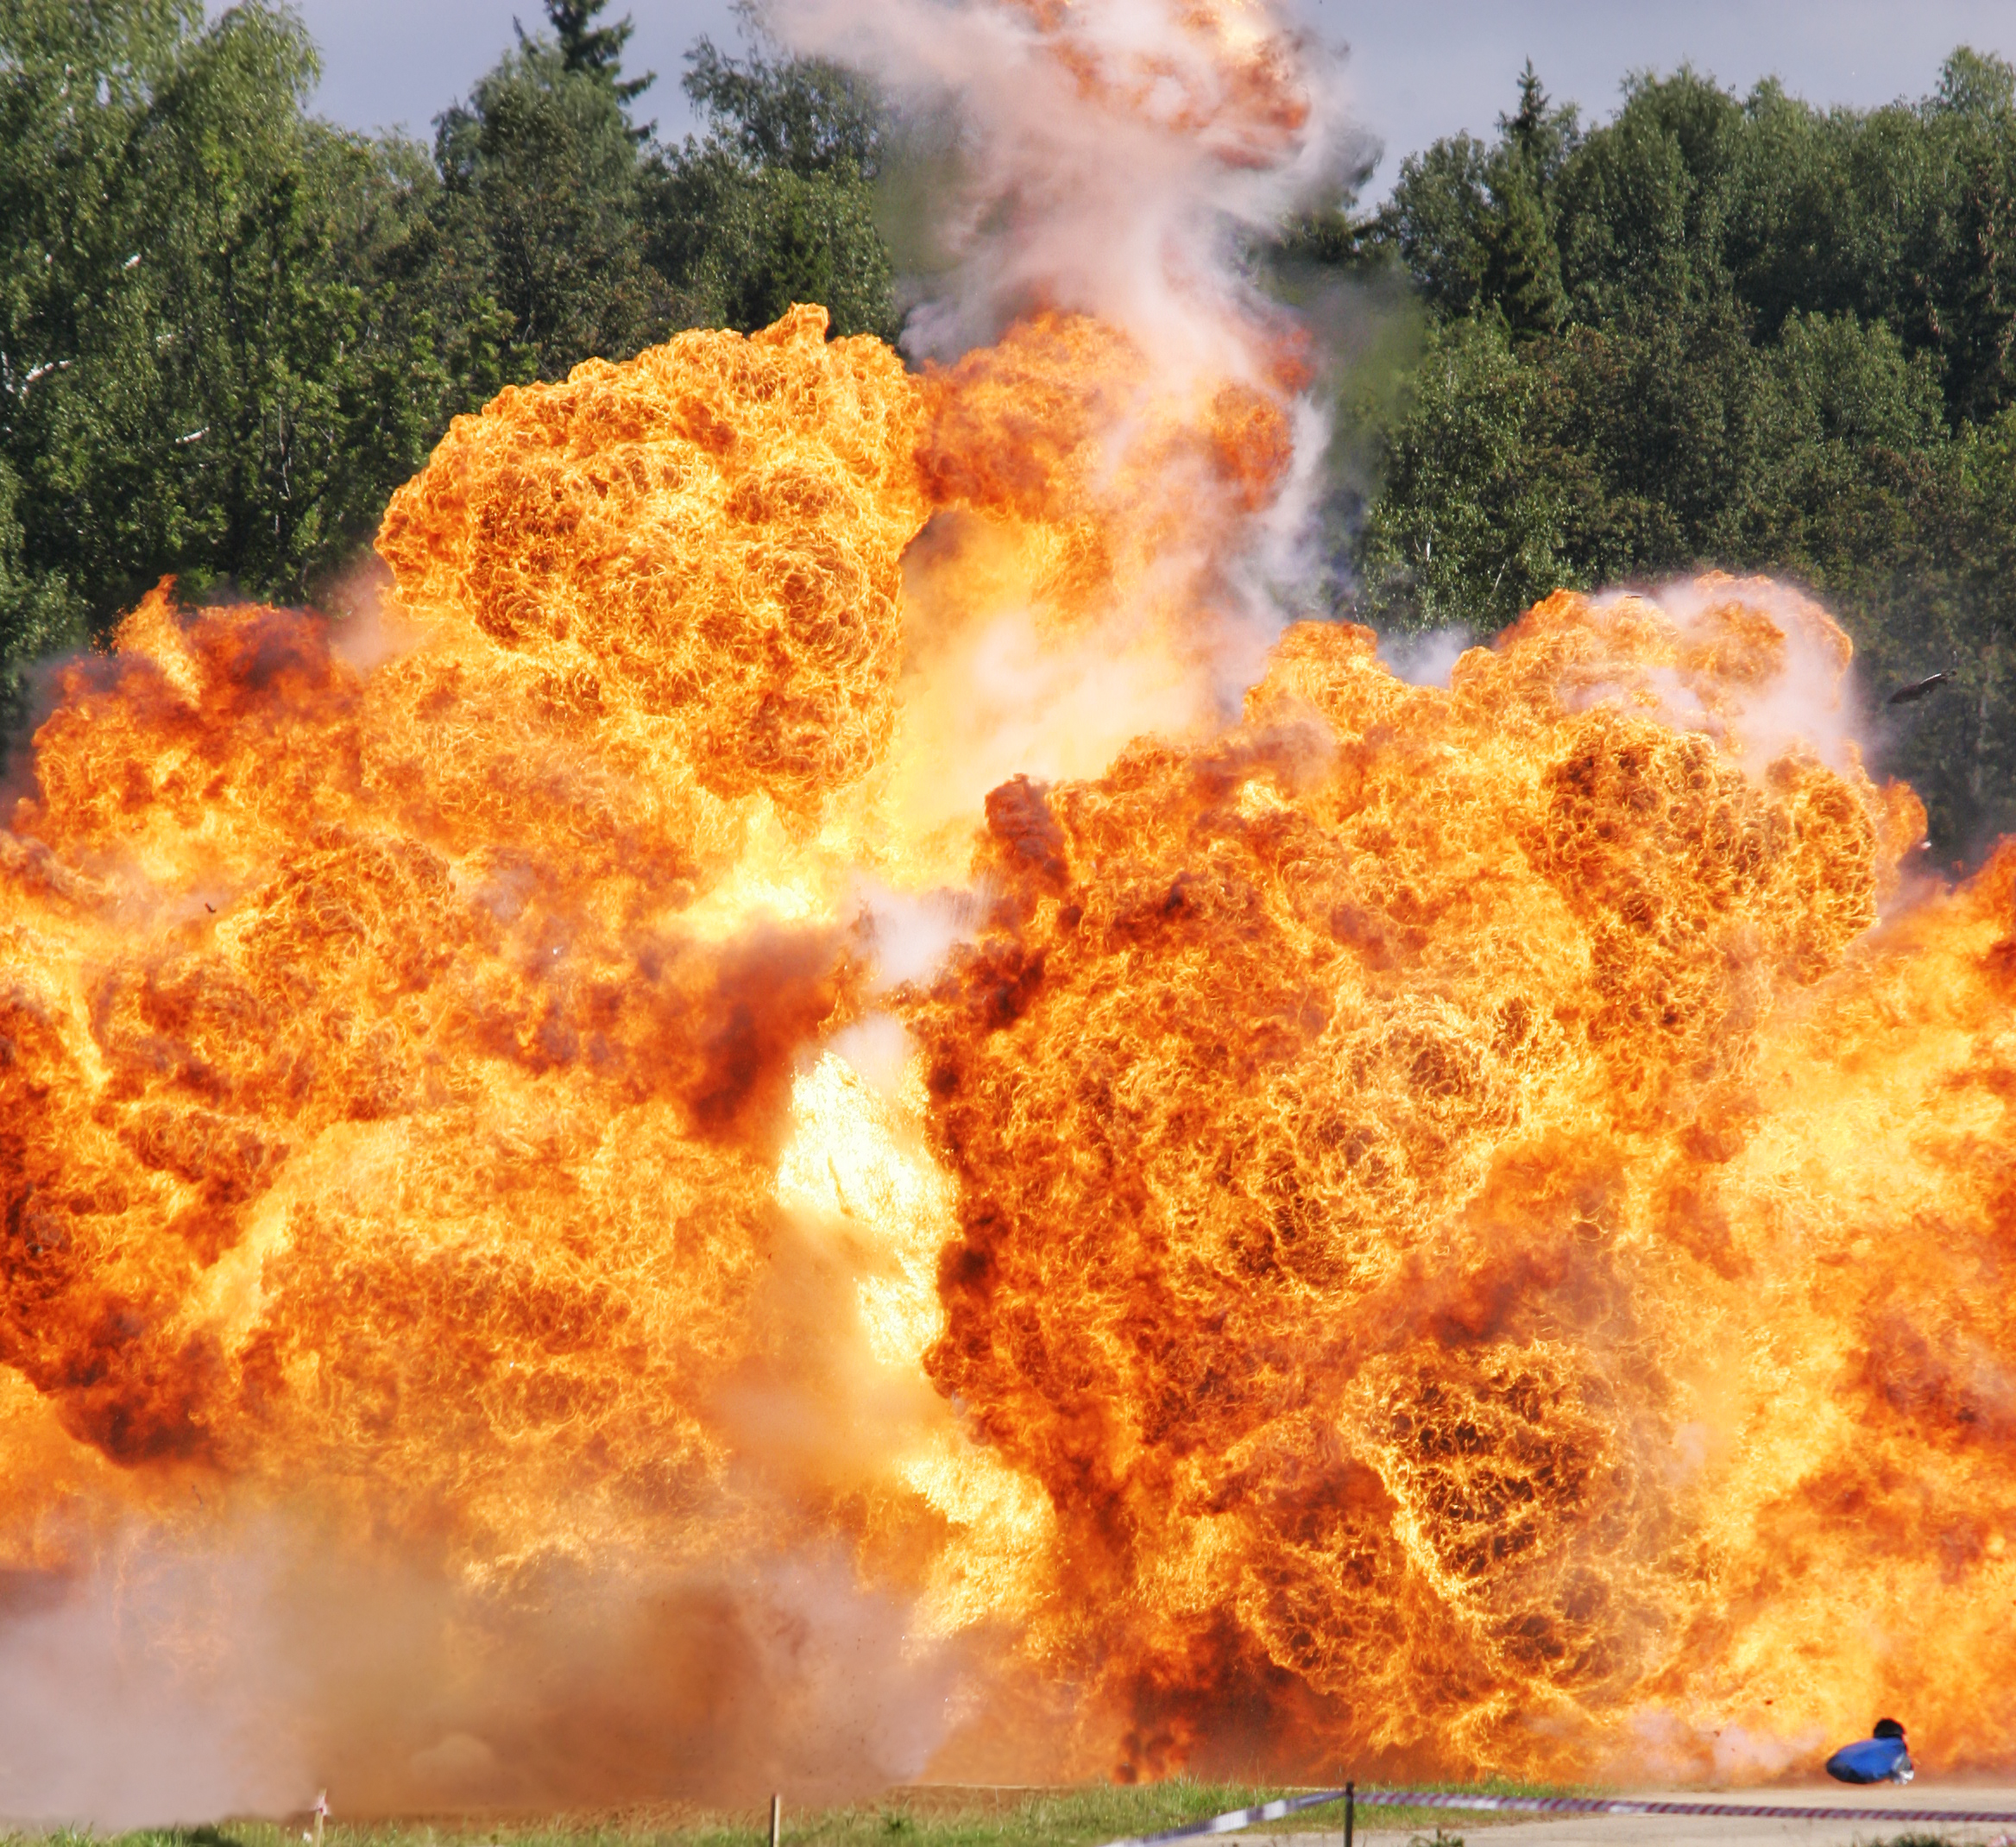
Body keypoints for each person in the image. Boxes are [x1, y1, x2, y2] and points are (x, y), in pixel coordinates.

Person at [1826, 1718, 1913, 1784]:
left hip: (1834, 1764)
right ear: (1901, 1736)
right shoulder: (1898, 1746)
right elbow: (1906, 1775)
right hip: (1859, 1773)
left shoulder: (1868, 1744)